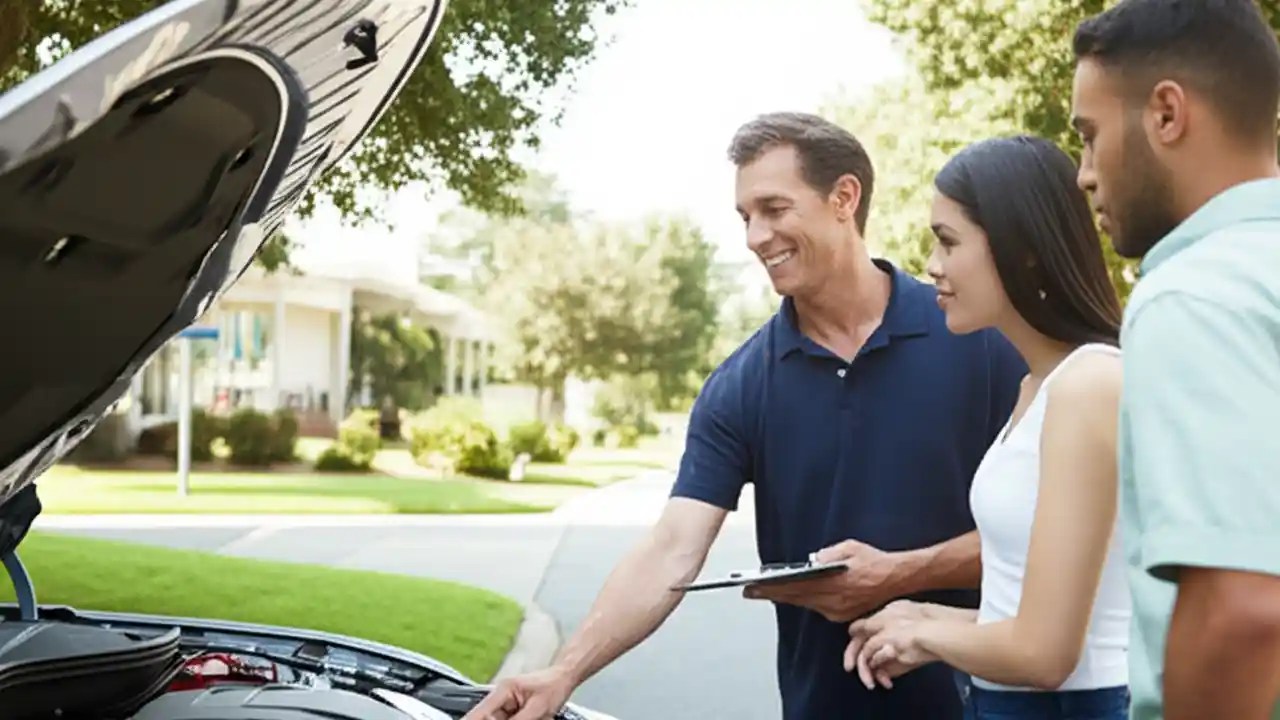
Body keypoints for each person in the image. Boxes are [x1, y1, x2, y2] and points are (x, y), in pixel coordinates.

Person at [463, 112, 1027, 720]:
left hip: (986, 705)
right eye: (745, 217)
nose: (756, 237)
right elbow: (671, 549)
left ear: (844, 198)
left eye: (774, 209)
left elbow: (1048, 536)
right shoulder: (741, 385)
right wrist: (563, 671)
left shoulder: (980, 340)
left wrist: (898, 574)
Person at [842, 135, 1130, 720]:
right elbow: (1036, 618)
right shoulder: (1037, 388)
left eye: (948, 241)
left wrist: (925, 636)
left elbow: (1047, 655)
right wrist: (923, 615)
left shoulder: (1088, 384)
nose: (932, 266)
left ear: (1021, 248)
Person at [1068, 2, 1280, 719]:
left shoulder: (1192, 294)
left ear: (1166, 114)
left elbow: (1241, 610)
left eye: (1090, 138)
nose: (1084, 176)